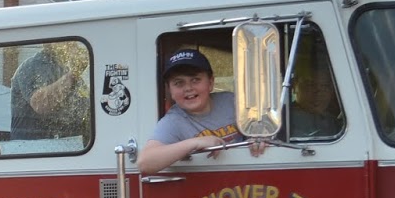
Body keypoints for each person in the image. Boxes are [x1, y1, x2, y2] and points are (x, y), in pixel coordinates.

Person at [137, 48, 266, 172]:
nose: (188, 88)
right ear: (170, 91)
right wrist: (196, 143)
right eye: (178, 83)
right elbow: (145, 163)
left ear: (210, 83)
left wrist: (259, 137)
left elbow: (264, 126)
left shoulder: (232, 102)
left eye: (195, 80)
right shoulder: (173, 121)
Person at [9, 42, 89, 140]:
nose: (74, 45)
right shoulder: (32, 66)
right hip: (33, 148)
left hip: (67, 146)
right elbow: (40, 104)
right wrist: (74, 73)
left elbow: (83, 109)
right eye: (69, 42)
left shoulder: (64, 70)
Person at [288, 58, 342, 138]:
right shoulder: (283, 120)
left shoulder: (334, 123)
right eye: (311, 85)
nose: (318, 93)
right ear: (295, 86)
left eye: (325, 86)